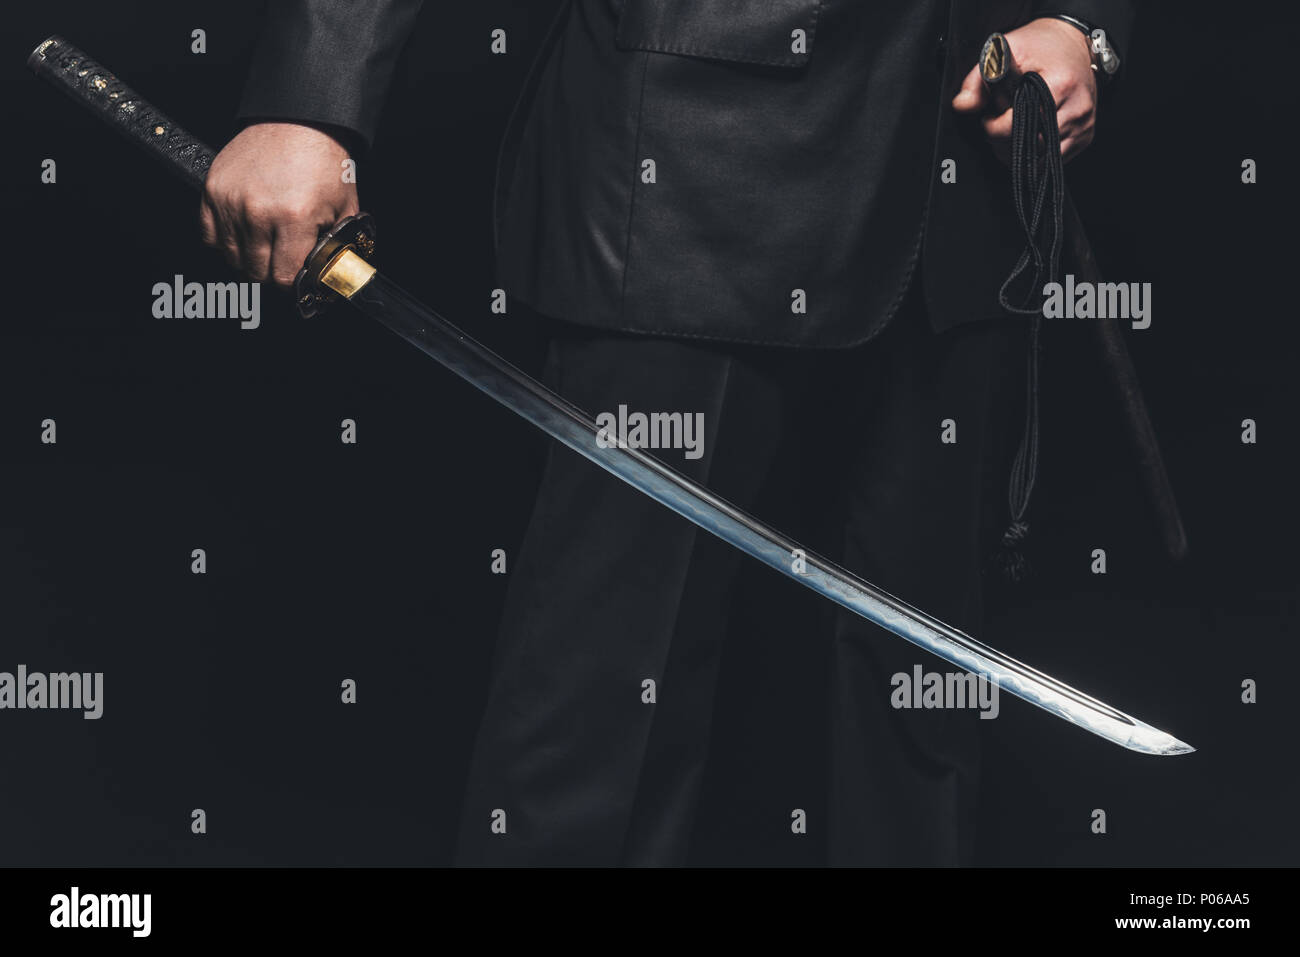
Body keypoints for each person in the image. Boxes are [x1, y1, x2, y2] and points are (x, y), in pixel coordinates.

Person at [201, 0, 1132, 866]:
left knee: (918, 727)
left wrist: (1076, 20)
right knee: (603, 714)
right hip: (694, 171)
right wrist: (309, 98)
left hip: (963, 172)